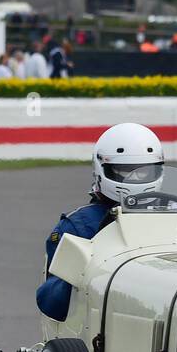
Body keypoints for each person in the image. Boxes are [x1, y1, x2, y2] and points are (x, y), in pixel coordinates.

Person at [35, 123, 165, 322]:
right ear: (101, 169)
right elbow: (52, 305)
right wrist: (83, 268)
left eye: (143, 172)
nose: (135, 179)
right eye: (125, 171)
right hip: (99, 326)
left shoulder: (173, 218)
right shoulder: (77, 227)